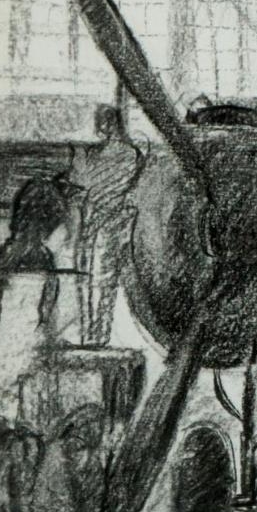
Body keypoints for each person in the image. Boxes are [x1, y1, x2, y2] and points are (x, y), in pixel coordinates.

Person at [69, 103, 145, 348]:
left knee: (91, 280)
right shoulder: (131, 155)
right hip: (106, 225)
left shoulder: (102, 155)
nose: (99, 127)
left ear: (110, 124)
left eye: (102, 122)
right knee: (103, 282)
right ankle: (97, 336)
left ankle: (91, 335)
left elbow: (83, 188)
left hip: (99, 224)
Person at [0, 173, 72, 350]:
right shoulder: (53, 197)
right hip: (25, 245)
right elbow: (47, 222)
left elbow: (22, 218)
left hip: (23, 244)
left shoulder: (42, 193)